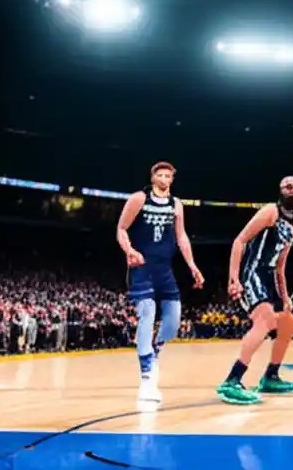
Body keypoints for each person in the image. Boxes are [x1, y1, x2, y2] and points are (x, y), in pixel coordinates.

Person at [115, 161, 204, 411]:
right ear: (152, 177)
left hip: (165, 268)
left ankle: (154, 354)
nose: (164, 178)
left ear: (172, 179)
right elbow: (121, 229)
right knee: (147, 313)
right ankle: (146, 376)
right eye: (160, 174)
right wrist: (130, 250)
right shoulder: (138, 198)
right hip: (141, 266)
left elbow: (181, 237)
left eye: (168, 175)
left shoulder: (177, 204)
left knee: (173, 321)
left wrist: (192, 265)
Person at [217, 176, 293, 404]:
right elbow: (240, 240)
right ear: (280, 190)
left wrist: (285, 298)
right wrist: (234, 278)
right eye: (288, 186)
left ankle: (271, 377)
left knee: (288, 325)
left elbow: (280, 268)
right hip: (252, 273)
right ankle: (232, 380)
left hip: (270, 278)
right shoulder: (270, 212)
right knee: (264, 321)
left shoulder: (292, 230)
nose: (292, 190)